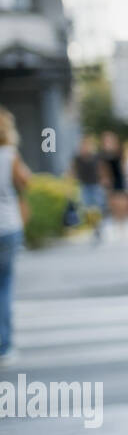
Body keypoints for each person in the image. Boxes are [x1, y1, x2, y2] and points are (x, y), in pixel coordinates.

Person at [0, 107, 28, 367]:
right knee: (5, 284)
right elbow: (25, 181)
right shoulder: (9, 155)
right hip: (7, 227)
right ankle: (4, 346)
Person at [73, 135, 105, 244]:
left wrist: (103, 179)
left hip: (95, 185)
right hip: (84, 185)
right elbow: (73, 170)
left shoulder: (96, 157)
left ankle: (98, 227)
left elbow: (101, 169)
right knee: (88, 209)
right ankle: (94, 228)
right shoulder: (77, 158)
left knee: (97, 207)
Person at [99, 130, 128, 240]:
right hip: (110, 182)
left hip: (120, 180)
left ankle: (123, 225)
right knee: (114, 205)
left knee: (124, 204)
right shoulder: (102, 155)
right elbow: (102, 169)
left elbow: (124, 167)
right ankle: (117, 226)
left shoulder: (119, 153)